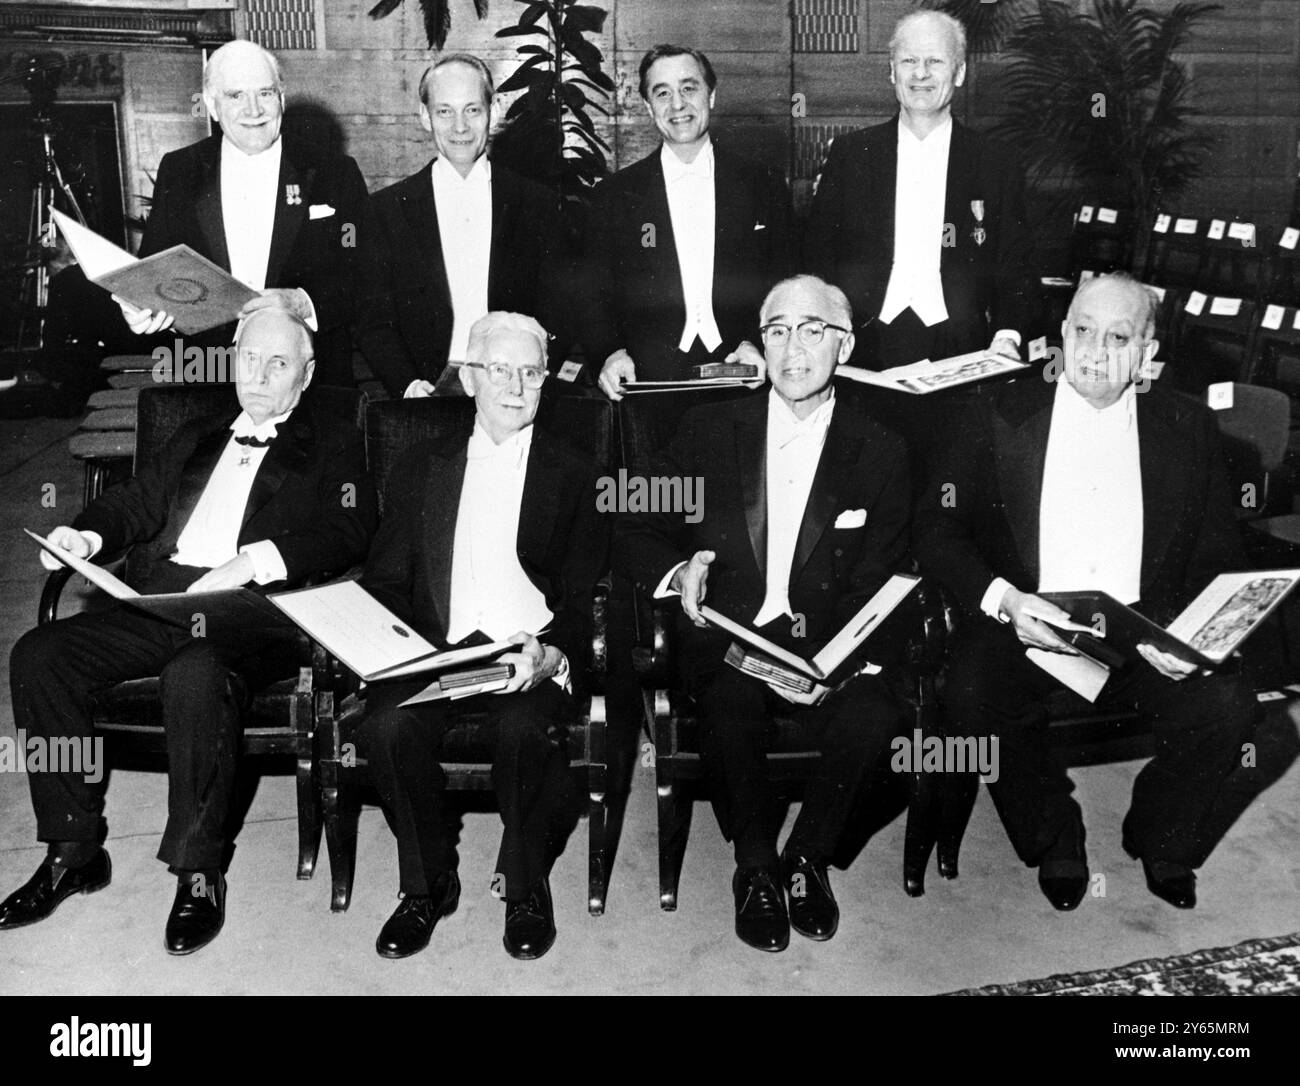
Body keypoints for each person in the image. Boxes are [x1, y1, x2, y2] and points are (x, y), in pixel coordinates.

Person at [1, 308, 377, 953]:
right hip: (163, 601)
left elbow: (347, 530)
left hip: (254, 611)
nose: (259, 375)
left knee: (196, 671)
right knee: (40, 654)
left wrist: (252, 560)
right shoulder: (198, 433)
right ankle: (73, 850)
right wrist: (85, 533)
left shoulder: (337, 442)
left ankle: (198, 871)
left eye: (279, 363)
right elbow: (137, 501)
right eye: (249, 358)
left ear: (307, 375)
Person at [913, 272, 1261, 912]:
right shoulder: (993, 413)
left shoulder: (1187, 426)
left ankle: (1160, 833)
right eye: (1082, 330)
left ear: (1149, 354)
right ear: (1060, 336)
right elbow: (935, 531)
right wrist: (1006, 600)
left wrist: (1189, 635)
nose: (1094, 351)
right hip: (1030, 620)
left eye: (1118, 336)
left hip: (1142, 629)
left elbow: (1219, 555)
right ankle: (1052, 833)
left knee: (1232, 706)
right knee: (969, 697)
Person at [614, 275, 912, 952]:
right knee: (727, 698)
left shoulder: (883, 449)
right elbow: (631, 522)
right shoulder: (711, 428)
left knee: (879, 716)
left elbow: (879, 579)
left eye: (813, 330)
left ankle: (807, 857)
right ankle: (754, 868)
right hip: (731, 634)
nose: (793, 349)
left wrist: (830, 667)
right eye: (777, 331)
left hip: (830, 645)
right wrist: (678, 569)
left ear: (845, 344)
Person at [356, 312, 607, 962]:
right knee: (384, 726)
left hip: (525, 657)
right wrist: (375, 640)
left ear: (546, 382)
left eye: (531, 372)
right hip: (436, 652)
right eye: (500, 370)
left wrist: (552, 652)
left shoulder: (576, 473)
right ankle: (425, 883)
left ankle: (525, 884)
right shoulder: (419, 466)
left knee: (524, 731)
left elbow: (586, 598)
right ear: (470, 378)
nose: (516, 386)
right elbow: (385, 579)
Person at [115, 40, 368, 388]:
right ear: (211, 106)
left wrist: (301, 301)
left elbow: (363, 271)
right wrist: (141, 308)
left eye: (265, 93)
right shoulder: (180, 169)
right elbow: (157, 264)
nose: (254, 110)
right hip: (208, 370)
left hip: (310, 376)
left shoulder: (335, 172)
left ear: (281, 97)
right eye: (235, 96)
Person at [806, 10, 1037, 370]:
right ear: (891, 71)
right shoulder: (851, 154)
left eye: (934, 61)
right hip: (864, 341)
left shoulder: (996, 161)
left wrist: (1007, 338)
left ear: (959, 72)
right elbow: (818, 256)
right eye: (909, 60)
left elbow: (1016, 264)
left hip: (962, 343)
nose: (920, 73)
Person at [584, 44, 791, 411]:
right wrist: (610, 354)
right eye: (662, 93)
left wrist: (757, 343)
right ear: (648, 107)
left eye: (689, 88)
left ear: (712, 95)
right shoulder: (615, 196)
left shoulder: (763, 185)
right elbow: (596, 294)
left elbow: (784, 278)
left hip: (742, 373)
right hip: (649, 384)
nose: (677, 104)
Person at [356, 54, 560, 399]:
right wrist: (407, 384)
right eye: (444, 111)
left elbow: (558, 308)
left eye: (472, 110)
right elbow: (373, 320)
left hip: (514, 389)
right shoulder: (385, 210)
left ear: (492, 112)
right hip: (425, 389)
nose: (460, 127)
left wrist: (528, 376)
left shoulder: (537, 204)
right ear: (425, 116)